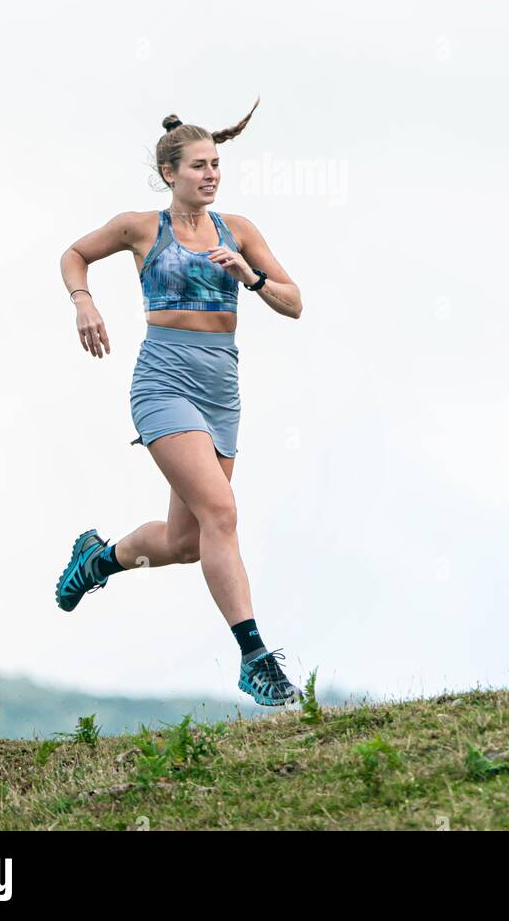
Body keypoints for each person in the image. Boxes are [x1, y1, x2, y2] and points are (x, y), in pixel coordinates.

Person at [54, 95, 305, 708]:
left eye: (216, 164)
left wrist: (250, 276)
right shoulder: (142, 227)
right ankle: (255, 659)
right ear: (170, 174)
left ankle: (100, 558)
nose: (211, 174)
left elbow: (294, 302)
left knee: (188, 540)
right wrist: (83, 301)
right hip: (163, 384)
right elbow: (74, 253)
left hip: (222, 390)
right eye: (198, 166)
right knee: (222, 512)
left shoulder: (238, 232)